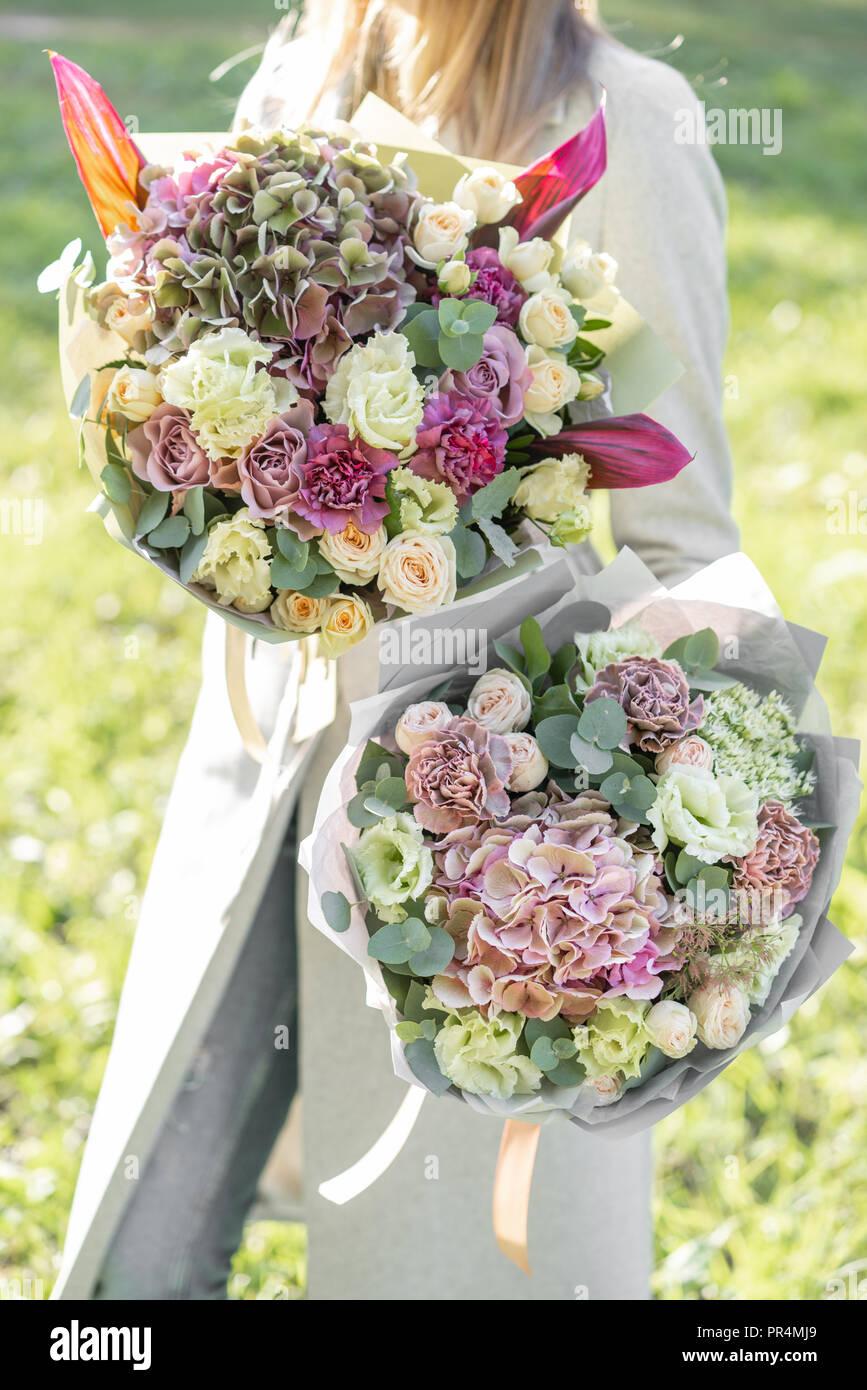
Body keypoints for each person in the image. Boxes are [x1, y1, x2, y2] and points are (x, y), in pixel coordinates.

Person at [54, 0, 739, 1300]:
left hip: (473, 829)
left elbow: (686, 534)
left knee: (435, 1267)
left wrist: (693, 833)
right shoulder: (302, 66)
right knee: (140, 1243)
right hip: (260, 757)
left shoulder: (629, 124)